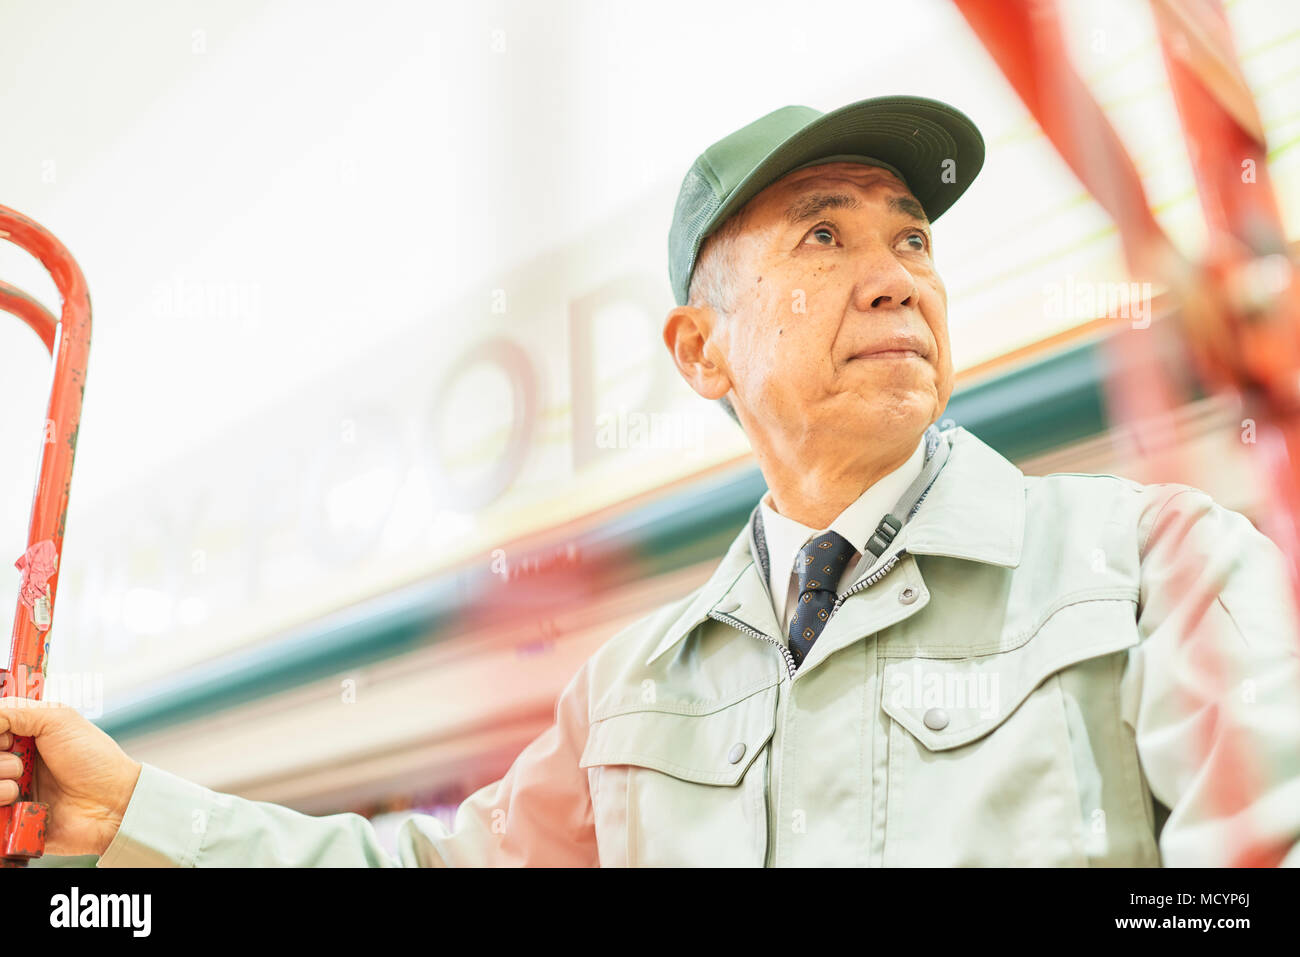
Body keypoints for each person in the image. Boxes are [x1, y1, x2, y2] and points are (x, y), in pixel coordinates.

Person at [3, 95, 1299, 867]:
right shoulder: (629, 699)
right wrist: (129, 809)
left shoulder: (1157, 570)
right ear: (700, 349)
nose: (899, 271)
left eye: (912, 235)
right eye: (825, 235)